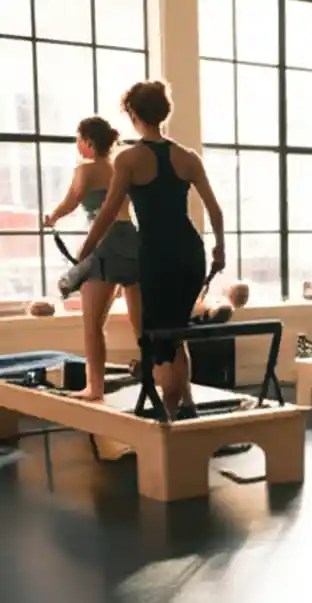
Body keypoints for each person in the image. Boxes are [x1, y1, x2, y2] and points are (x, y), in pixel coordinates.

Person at [81, 80, 225, 418]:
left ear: (133, 114)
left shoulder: (129, 158)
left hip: (158, 255)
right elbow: (215, 211)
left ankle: (169, 414)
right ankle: (186, 406)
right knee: (176, 331)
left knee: (159, 336)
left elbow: (107, 212)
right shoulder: (188, 157)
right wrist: (220, 251)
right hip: (190, 252)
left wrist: (85, 251)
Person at [42, 117, 142, 400]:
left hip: (105, 243)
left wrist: (52, 218)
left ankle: (94, 388)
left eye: (78, 139)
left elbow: (73, 199)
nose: (77, 145)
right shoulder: (120, 167)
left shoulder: (86, 169)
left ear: (88, 141)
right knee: (144, 326)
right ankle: (158, 379)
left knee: (93, 324)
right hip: (131, 239)